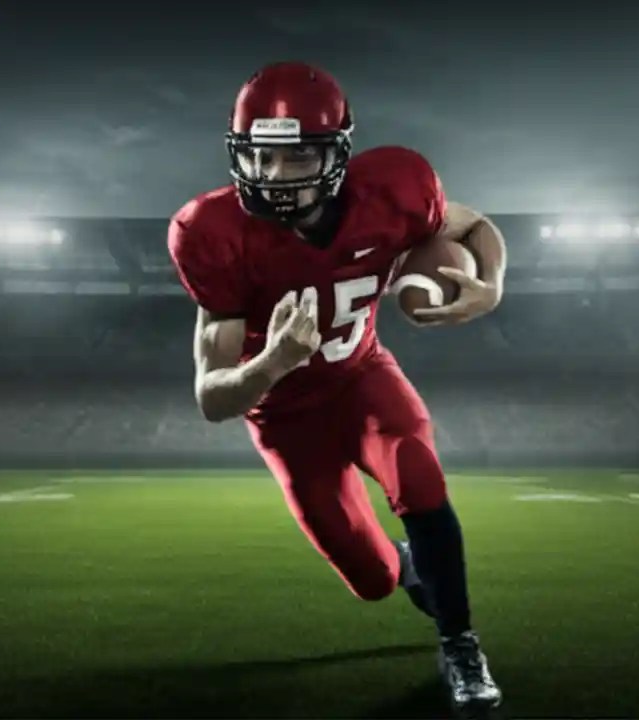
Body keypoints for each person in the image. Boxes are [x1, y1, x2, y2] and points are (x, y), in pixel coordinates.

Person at [167, 61, 508, 716]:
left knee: (418, 469)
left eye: (297, 159)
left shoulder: (394, 189)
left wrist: (490, 285)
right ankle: (408, 568)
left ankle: (460, 644)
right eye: (261, 157)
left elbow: (471, 228)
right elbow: (213, 400)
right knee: (373, 580)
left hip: (362, 378)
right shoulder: (211, 233)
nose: (274, 177)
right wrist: (272, 362)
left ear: (338, 153)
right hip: (282, 419)